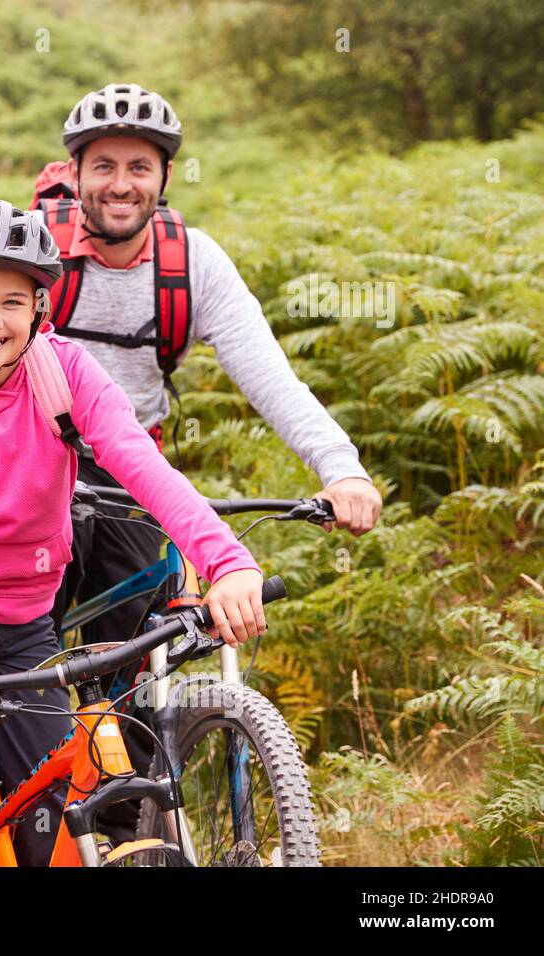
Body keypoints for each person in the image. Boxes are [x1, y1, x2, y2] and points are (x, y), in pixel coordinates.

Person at [0, 200, 267, 866]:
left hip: (28, 627)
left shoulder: (66, 373)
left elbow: (145, 470)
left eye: (10, 303)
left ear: (38, 309)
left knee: (57, 829)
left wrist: (227, 563)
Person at [39, 82, 384, 839]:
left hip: (134, 479)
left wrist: (341, 467)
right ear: (75, 172)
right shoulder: (35, 248)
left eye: (139, 166)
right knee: (23, 661)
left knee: (129, 667)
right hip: (27, 474)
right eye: (103, 166)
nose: (121, 183)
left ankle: (129, 839)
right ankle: (8, 809)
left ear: (164, 177)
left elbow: (271, 378)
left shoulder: (191, 263)